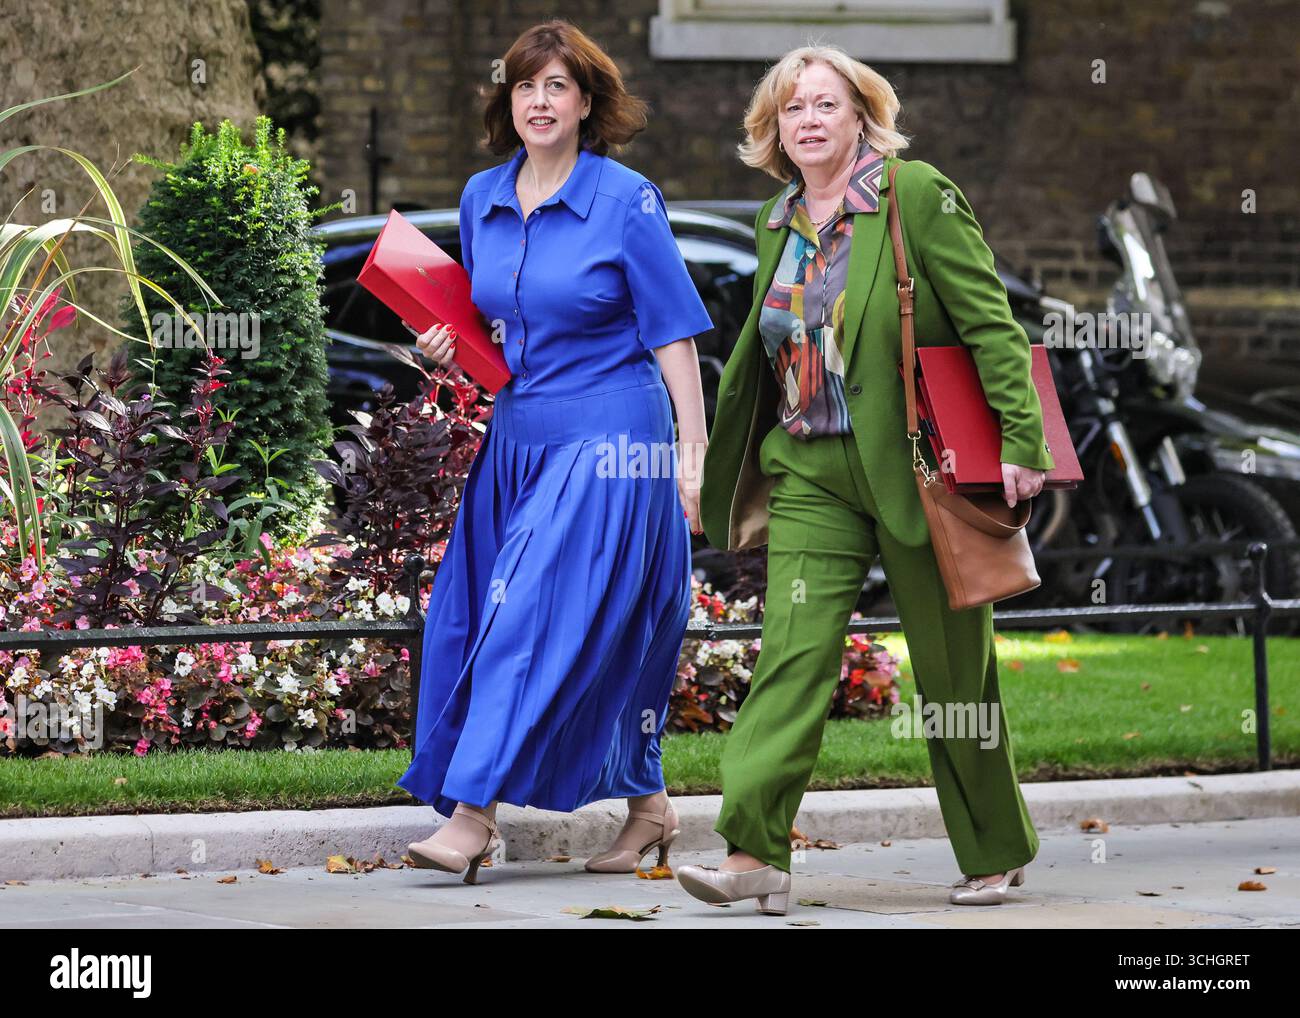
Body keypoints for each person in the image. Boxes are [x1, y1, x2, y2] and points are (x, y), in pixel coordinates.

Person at [675, 44, 1055, 915]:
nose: (808, 120)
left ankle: (994, 848)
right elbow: (771, 359)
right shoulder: (776, 220)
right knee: (792, 656)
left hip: (919, 468)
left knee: (956, 673)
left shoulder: (913, 195)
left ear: (861, 117)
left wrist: (1020, 440)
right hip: (810, 469)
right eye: (791, 109)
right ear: (772, 131)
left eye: (825, 105)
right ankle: (751, 852)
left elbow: (991, 326)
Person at [395, 19, 713, 884]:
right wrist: (447, 345)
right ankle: (648, 810)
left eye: (558, 86)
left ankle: (472, 818)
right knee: (477, 615)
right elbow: (489, 329)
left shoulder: (625, 199)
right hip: (520, 430)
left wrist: (693, 451)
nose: (540, 100)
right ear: (509, 99)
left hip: (614, 436)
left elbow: (675, 334)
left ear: (585, 104)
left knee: (530, 611)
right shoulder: (481, 197)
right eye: (526, 85)